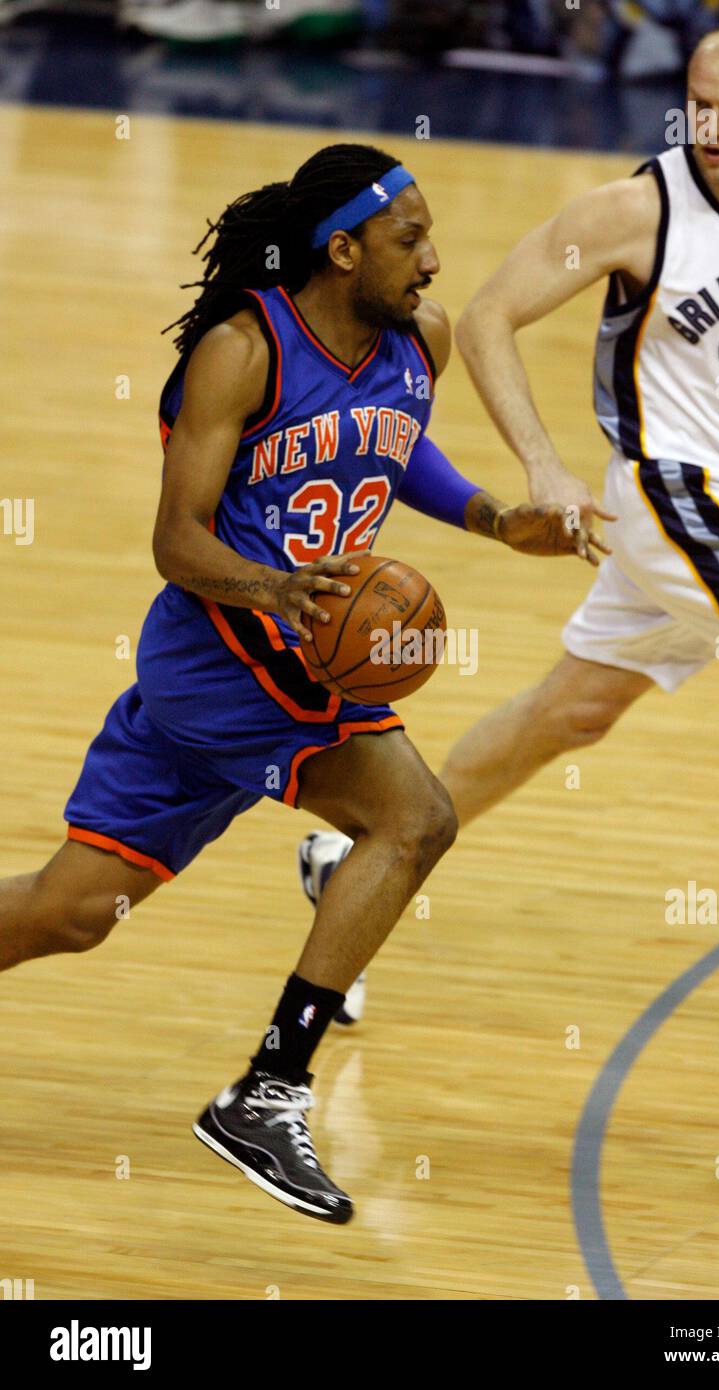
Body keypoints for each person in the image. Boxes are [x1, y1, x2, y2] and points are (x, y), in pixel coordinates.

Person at [0, 143, 599, 1225]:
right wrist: (273, 586)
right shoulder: (243, 350)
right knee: (413, 819)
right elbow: (176, 541)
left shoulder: (424, 338)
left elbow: (399, 445)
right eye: (409, 239)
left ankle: (264, 1084)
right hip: (224, 663)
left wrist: (492, 519)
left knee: (70, 911)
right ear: (342, 248)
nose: (431, 260)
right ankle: (268, 1089)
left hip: (295, 658)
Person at [303, 28, 719, 1074]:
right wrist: (544, 468)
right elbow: (491, 316)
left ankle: (348, 854)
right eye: (697, 103)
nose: (711, 129)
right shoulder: (635, 210)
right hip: (668, 503)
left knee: (572, 712)